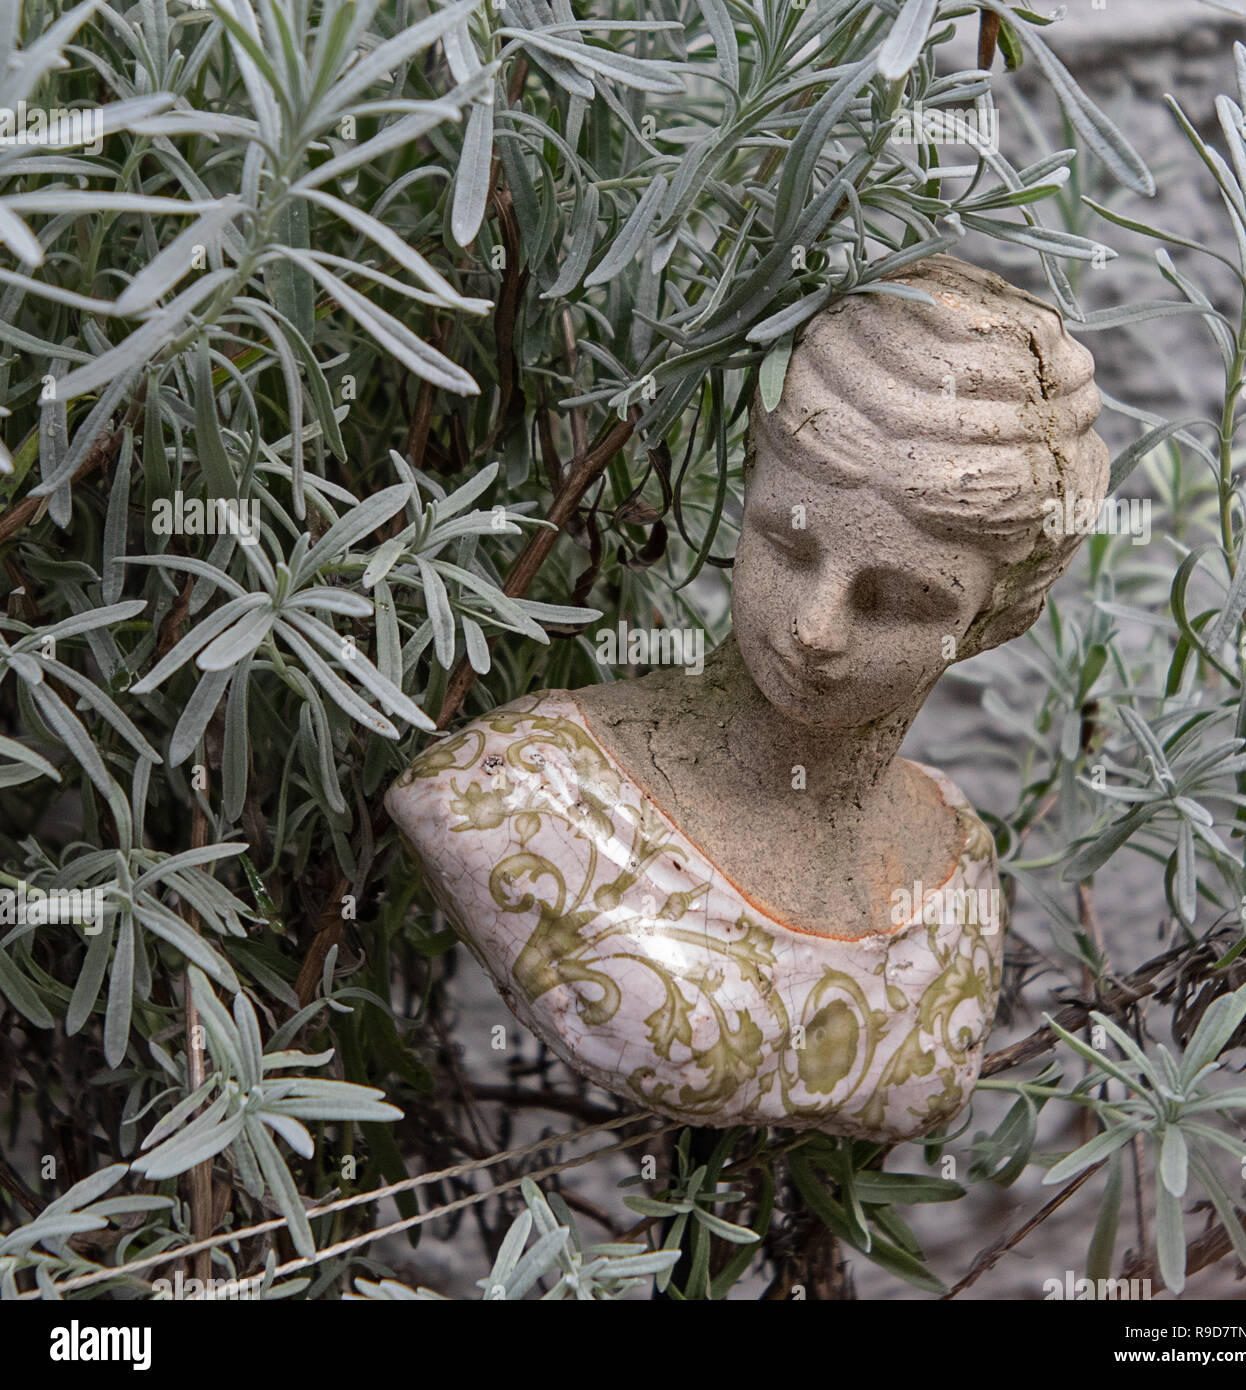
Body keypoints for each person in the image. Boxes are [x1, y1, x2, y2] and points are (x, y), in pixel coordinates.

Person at [387, 256, 1109, 1140]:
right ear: (747, 492)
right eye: (787, 547)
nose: (815, 628)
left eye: (897, 599)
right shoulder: (517, 794)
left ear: (997, 617)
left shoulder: (954, 859)